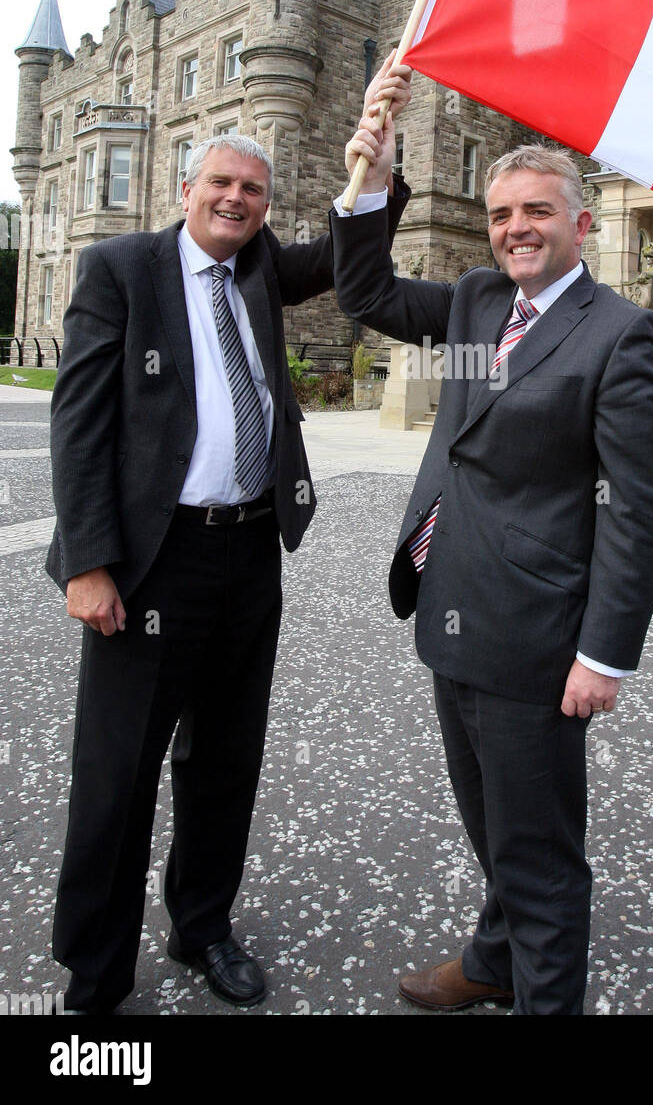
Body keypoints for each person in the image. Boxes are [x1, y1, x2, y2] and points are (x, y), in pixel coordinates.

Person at [46, 64, 411, 1014]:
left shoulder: (257, 269)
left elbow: (341, 253)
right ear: (186, 191)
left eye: (252, 190)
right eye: (221, 185)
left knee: (224, 760)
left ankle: (203, 927)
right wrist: (87, 562)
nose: (237, 201)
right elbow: (79, 422)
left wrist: (370, 159)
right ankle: (94, 970)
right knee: (118, 768)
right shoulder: (121, 270)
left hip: (249, 551)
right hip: (149, 562)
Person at [331, 98, 653, 1015]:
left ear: (581, 222)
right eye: (500, 214)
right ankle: (492, 961)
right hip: (451, 607)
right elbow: (366, 296)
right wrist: (374, 178)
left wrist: (603, 653)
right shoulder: (481, 300)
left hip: (537, 634)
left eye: (536, 211)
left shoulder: (620, 333)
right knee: (491, 825)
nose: (515, 228)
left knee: (538, 855)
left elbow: (639, 510)